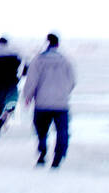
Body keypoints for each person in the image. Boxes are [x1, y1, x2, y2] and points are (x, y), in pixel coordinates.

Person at [22, 32, 76, 168]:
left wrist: (28, 96)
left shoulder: (38, 60)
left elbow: (31, 80)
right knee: (62, 131)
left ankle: (42, 153)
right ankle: (58, 157)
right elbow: (72, 81)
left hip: (42, 103)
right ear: (57, 44)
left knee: (41, 130)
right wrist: (64, 92)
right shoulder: (66, 61)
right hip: (61, 103)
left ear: (46, 42)